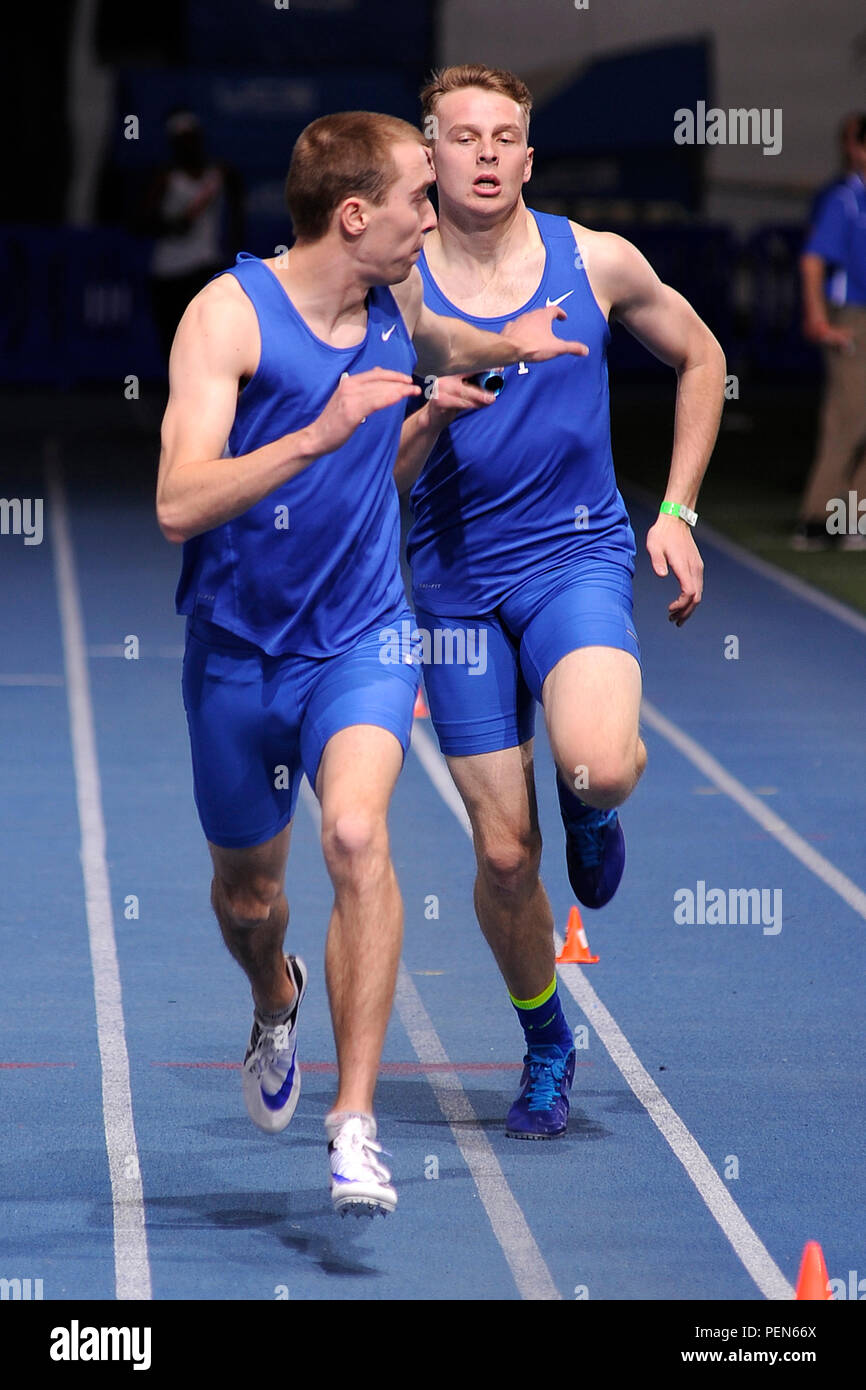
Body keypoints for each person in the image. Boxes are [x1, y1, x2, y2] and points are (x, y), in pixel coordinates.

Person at [155, 109, 588, 1215]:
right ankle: (274, 993)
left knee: (354, 834)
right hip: (239, 653)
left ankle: (351, 1124)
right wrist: (315, 431)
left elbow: (441, 337)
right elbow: (176, 502)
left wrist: (512, 344)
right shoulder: (227, 318)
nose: (433, 214)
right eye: (416, 201)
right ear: (355, 215)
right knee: (251, 899)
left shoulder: (396, 302)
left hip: (361, 635)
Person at [394, 65, 725, 1140]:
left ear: (528, 158)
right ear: (427, 155)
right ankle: (545, 1041)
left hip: (574, 555)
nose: (485, 154)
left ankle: (590, 802)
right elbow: (374, 475)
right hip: (449, 585)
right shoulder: (392, 291)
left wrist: (673, 510)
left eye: (505, 137)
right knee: (499, 857)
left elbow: (700, 355)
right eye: (463, 137)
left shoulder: (594, 259)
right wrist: (430, 420)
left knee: (595, 761)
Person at [793, 113, 866, 550]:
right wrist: (818, 319)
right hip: (852, 317)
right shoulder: (845, 200)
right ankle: (816, 519)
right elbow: (812, 260)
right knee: (847, 419)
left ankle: (853, 518)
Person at [142, 109, 244, 365]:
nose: (188, 145)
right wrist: (170, 226)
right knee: (172, 338)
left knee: (206, 334)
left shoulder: (220, 175)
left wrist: (233, 244)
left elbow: (237, 211)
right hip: (168, 271)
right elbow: (141, 221)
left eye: (192, 138)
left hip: (205, 266)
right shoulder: (165, 178)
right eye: (181, 140)